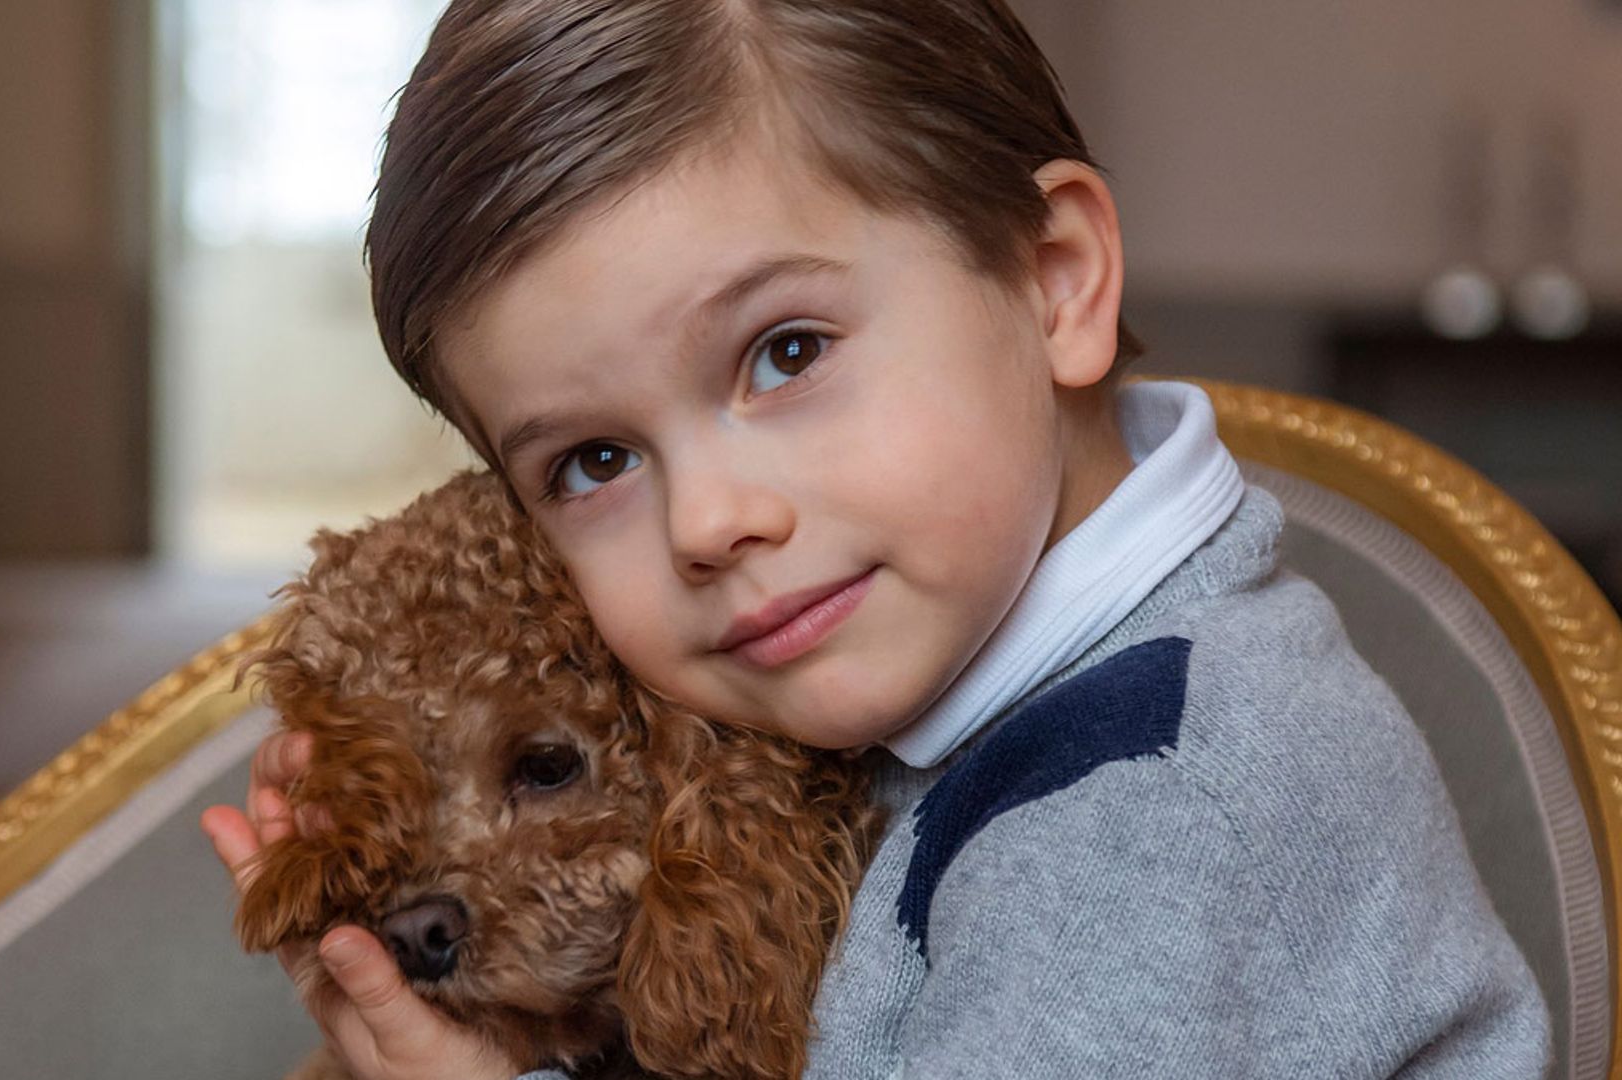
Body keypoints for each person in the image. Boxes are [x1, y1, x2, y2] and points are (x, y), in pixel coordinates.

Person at [201, 0, 1551, 1076]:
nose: (711, 521)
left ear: (1055, 279)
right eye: (594, 459)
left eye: (785, 353)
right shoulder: (964, 689)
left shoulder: (1157, 800)